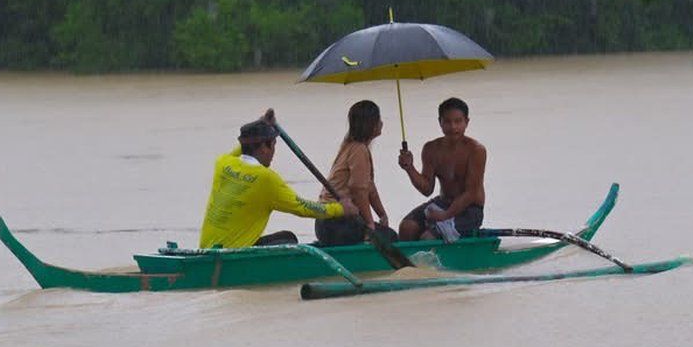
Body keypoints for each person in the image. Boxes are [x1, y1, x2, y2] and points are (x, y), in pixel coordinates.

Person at [199, 108, 356, 249]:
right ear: (262, 147)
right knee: (289, 240)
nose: (274, 152)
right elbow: (303, 207)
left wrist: (261, 124)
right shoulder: (266, 179)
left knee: (285, 237)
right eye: (273, 145)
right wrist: (341, 209)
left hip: (207, 247)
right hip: (232, 253)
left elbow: (244, 148)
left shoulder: (223, 163)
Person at [397, 97, 486, 242]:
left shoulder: (476, 150)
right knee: (406, 228)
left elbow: (471, 193)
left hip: (470, 209)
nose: (453, 127)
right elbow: (427, 189)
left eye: (458, 121)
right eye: (448, 122)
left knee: (428, 238)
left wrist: (446, 215)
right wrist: (409, 168)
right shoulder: (431, 149)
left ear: (466, 122)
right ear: (440, 122)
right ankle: (405, 263)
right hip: (443, 203)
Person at [313, 100, 397, 246]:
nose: (382, 123)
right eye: (379, 119)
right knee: (391, 238)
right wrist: (370, 223)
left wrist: (381, 214)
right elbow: (358, 189)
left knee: (384, 231)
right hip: (336, 224)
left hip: (328, 222)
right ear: (371, 125)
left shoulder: (352, 147)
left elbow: (369, 188)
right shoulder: (358, 150)